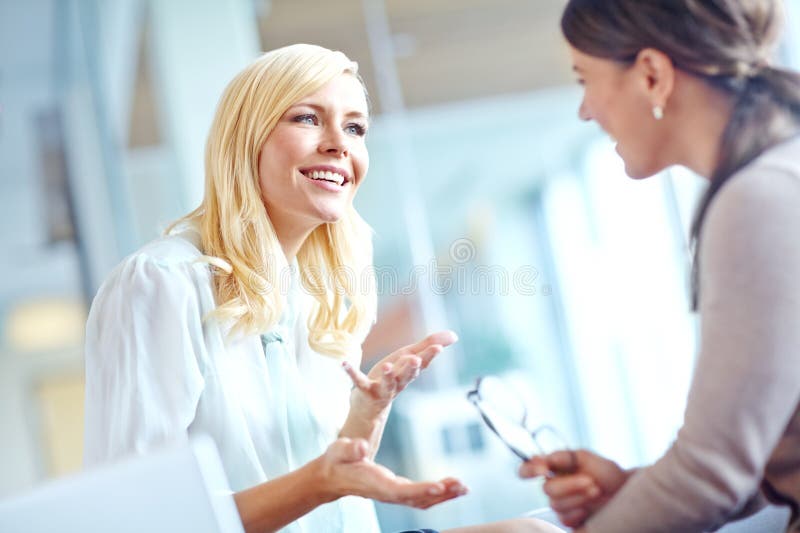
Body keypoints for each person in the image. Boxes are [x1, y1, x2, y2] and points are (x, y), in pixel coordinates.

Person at [83, 43, 558, 533]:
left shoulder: (322, 294)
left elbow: (331, 482)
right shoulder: (161, 283)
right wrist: (321, 481)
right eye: (308, 118)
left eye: (354, 127)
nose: (340, 144)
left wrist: (365, 417)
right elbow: (135, 517)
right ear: (247, 139)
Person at [519, 1, 800, 532]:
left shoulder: (760, 198)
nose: (585, 110)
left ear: (651, 74)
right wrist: (634, 488)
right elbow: (755, 451)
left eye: (586, 80)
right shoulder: (777, 175)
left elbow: (712, 474)